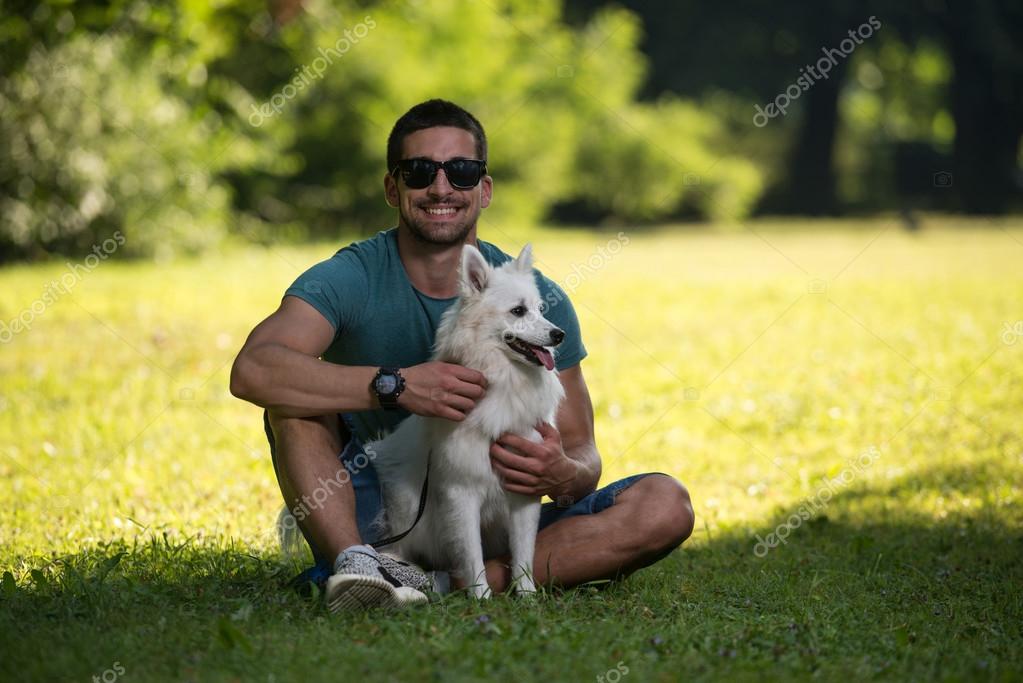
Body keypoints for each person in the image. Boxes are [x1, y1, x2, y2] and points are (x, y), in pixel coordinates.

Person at [230, 99, 695, 610]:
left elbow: (585, 454)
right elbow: (254, 369)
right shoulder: (352, 276)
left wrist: (562, 472)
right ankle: (358, 564)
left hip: (501, 511)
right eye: (420, 171)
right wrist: (396, 385)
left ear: (484, 189)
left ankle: (443, 586)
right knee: (290, 398)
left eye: (463, 171)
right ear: (393, 188)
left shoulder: (534, 296)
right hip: (380, 498)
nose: (441, 187)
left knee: (664, 504)